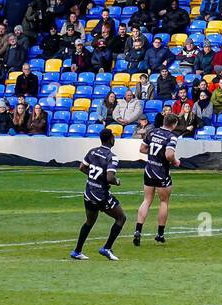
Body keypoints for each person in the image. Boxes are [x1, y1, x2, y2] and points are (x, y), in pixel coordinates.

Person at [73, 128, 128, 261]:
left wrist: (94, 177)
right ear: (110, 139)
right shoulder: (112, 157)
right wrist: (117, 181)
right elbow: (110, 178)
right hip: (101, 195)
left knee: (89, 221)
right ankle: (106, 248)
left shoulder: (92, 151)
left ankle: (77, 251)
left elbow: (82, 167)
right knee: (121, 218)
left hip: (89, 192)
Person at [132, 112, 181, 246]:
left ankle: (138, 230)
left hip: (149, 170)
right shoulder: (172, 137)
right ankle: (160, 234)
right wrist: (175, 161)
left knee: (147, 200)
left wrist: (154, 154)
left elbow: (142, 149)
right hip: (161, 172)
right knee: (164, 202)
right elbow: (169, 154)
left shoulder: (152, 132)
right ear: (174, 124)